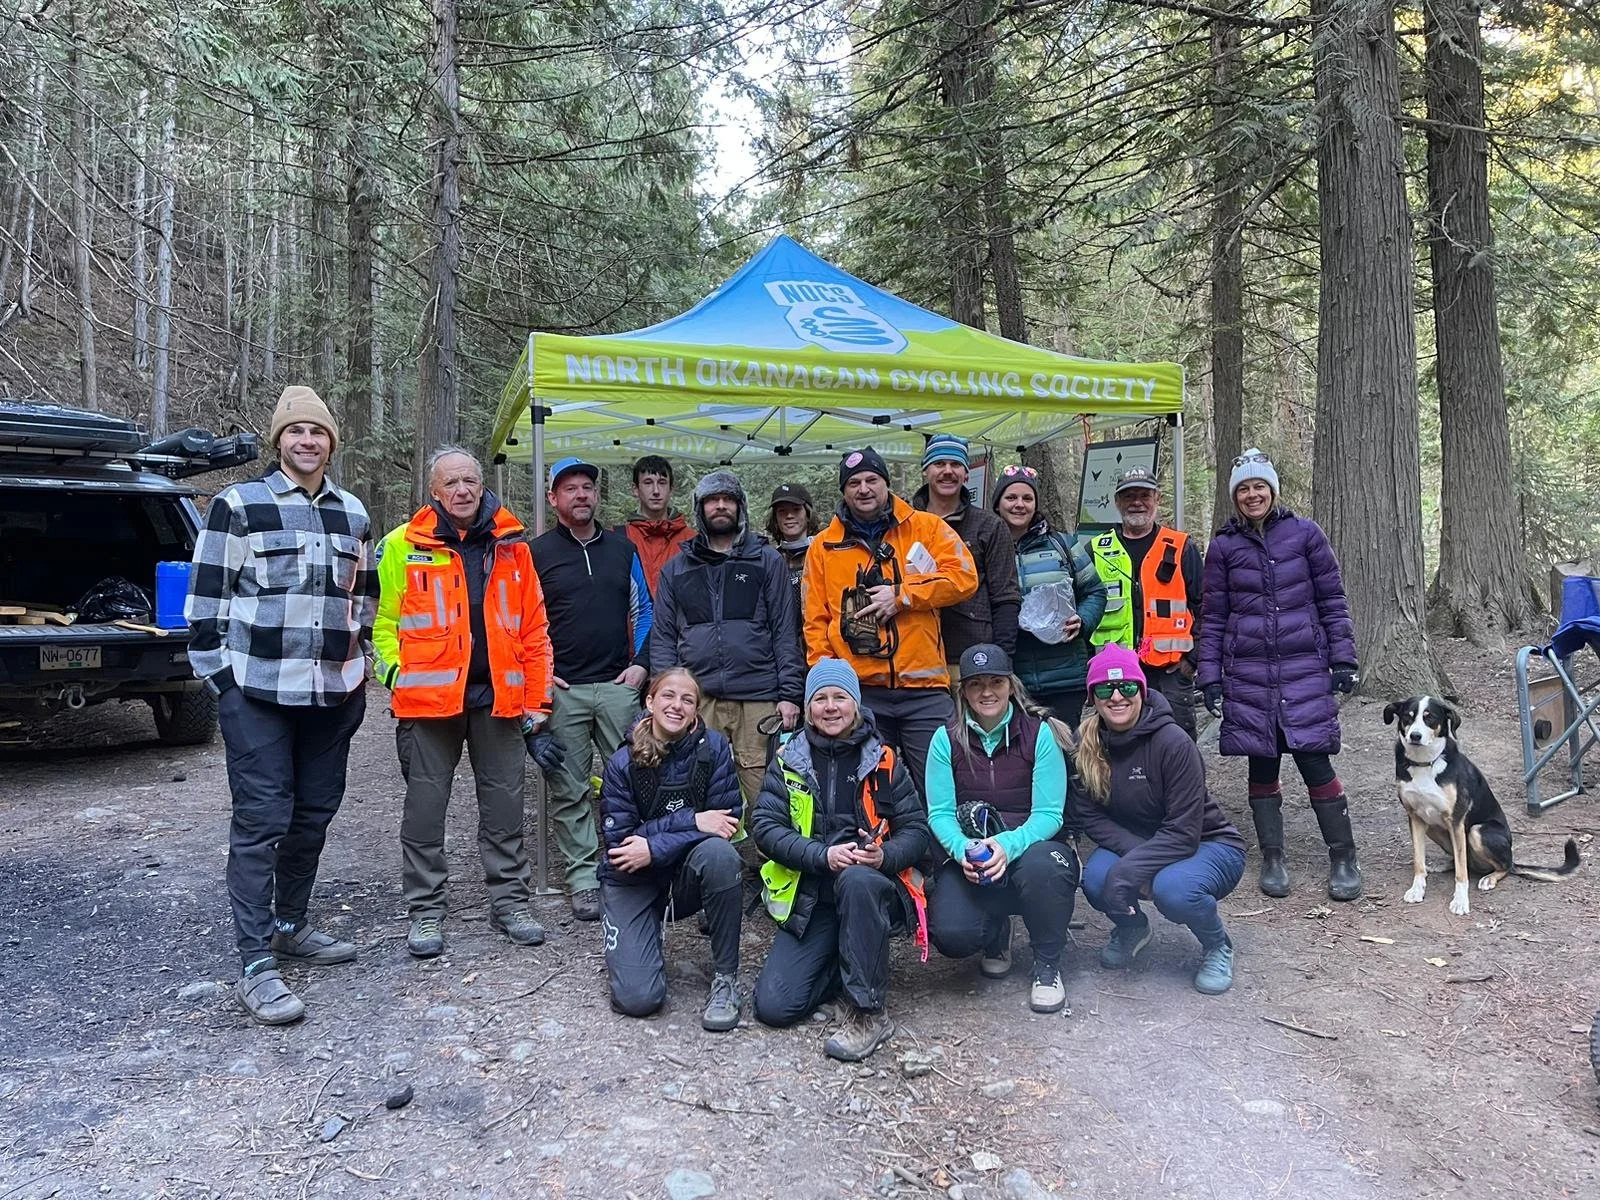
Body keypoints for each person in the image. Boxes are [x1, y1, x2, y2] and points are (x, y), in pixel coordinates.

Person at [185, 385, 377, 1025]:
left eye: (318, 432)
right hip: (258, 694)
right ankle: (255, 964)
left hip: (332, 694)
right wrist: (224, 685)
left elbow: (365, 599)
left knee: (313, 815)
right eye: (296, 431)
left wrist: (361, 666)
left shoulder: (353, 512)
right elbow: (205, 603)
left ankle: (290, 925)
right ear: (279, 440)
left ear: (331, 443)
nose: (307, 441)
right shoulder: (239, 505)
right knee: (262, 821)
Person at [373, 446, 558, 959]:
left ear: (482, 485)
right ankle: (426, 910)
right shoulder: (403, 545)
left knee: (504, 807)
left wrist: (538, 701)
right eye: (451, 483)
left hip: (499, 700)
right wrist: (397, 676)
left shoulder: (513, 546)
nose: (461, 491)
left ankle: (510, 903)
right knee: (425, 811)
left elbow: (535, 630)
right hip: (428, 704)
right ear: (434, 491)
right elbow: (382, 625)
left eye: (469, 481)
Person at [1197, 448, 1361, 901]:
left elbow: (1332, 600)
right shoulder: (1224, 547)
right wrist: (1210, 677)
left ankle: (1344, 856)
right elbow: (1213, 617)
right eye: (1243, 489)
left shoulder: (1306, 535)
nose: (1252, 495)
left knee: (1314, 760)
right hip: (1248, 673)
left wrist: (1343, 660)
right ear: (1235, 496)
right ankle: (1273, 856)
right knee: (1262, 760)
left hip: (1304, 667)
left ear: (1272, 490)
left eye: (1259, 486)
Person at [752, 659, 930, 1062]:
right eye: (820, 699)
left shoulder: (884, 759)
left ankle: (869, 1012)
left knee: (857, 880)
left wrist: (883, 856)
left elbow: (917, 831)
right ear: (808, 708)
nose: (830, 707)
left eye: (840, 697)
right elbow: (765, 826)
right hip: (814, 896)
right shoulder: (788, 759)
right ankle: (845, 959)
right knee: (774, 1007)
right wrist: (822, 855)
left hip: (872, 889)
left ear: (856, 704)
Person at [1071, 644, 1247, 995]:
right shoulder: (1086, 744)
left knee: (1173, 889)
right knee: (1096, 879)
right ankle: (1132, 928)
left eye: (1127, 687)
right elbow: (1089, 816)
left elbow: (1183, 832)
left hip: (1208, 843)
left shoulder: (1173, 742)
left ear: (1141, 689)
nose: (1117, 697)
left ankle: (1217, 945)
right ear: (1093, 698)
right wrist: (1138, 862)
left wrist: (1130, 870)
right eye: (1105, 689)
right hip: (1141, 840)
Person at [802, 446, 978, 792]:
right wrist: (829, 684)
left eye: (872, 480)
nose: (864, 489)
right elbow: (815, 621)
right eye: (854, 483)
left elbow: (964, 577)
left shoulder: (927, 528)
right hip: (860, 691)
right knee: (866, 789)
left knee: (940, 787)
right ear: (844, 491)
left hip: (924, 689)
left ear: (886, 483)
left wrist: (903, 596)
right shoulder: (823, 546)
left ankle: (942, 832)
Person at [923, 643, 1079, 1014]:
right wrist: (962, 850)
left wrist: (1007, 846)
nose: (987, 692)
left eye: (996, 682)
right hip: (973, 851)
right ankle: (995, 932)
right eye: (976, 684)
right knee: (952, 934)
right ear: (964, 691)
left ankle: (1047, 963)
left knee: (1045, 868)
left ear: (1011, 685)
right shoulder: (945, 738)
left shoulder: (1039, 733)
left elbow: (1049, 813)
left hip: (1031, 845)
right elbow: (939, 812)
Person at [529, 456, 653, 920]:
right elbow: (521, 621)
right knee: (569, 787)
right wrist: (541, 678)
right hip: (564, 691)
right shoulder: (536, 553)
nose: (580, 495)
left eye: (587, 487)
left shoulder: (622, 549)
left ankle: (635, 865)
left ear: (596, 495)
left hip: (619, 685)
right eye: (570, 488)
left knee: (638, 777)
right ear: (553, 498)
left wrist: (640, 666)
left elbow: (645, 610)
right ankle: (582, 878)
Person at [598, 668, 745, 1030]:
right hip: (632, 879)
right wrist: (693, 821)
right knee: (638, 999)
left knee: (721, 856)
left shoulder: (714, 750)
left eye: (687, 699)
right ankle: (640, 940)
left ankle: (726, 978)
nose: (677, 705)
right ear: (650, 702)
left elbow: (726, 823)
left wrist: (653, 844)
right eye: (668, 696)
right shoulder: (623, 762)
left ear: (696, 710)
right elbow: (621, 845)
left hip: (685, 876)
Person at [650, 470, 803, 810]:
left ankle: (769, 845)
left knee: (765, 791)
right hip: (698, 696)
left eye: (728, 499)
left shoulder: (766, 560)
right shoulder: (677, 568)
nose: (720, 506)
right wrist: (665, 694)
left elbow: (785, 631)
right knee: (697, 785)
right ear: (700, 508)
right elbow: (663, 636)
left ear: (740, 506)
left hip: (759, 695)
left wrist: (790, 694)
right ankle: (708, 845)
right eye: (712, 500)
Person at [1086, 466, 1204, 740]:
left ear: (1157, 499)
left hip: (1170, 673)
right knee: (1121, 747)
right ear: (1117, 502)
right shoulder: (1097, 550)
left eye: (1144, 495)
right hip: (1115, 674)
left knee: (1177, 745)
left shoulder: (1180, 547)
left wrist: (1192, 660)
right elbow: (1085, 611)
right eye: (1129, 496)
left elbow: (1205, 607)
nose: (1137, 502)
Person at [992, 463, 1107, 727]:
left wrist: (1083, 620)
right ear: (998, 504)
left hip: (1065, 675)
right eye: (1011, 497)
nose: (1019, 505)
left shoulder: (1063, 545)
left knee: (1065, 745)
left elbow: (1095, 591)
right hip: (1012, 676)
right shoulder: (987, 548)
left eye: (1027, 498)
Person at [912, 434, 1021, 671]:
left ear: (966, 474)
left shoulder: (989, 526)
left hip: (972, 657)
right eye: (939, 464)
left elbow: (1006, 598)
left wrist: (1001, 659)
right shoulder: (905, 524)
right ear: (925, 471)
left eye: (956, 464)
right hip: (914, 655)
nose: (947, 471)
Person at [615, 454, 689, 594]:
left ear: (671, 489)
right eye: (648, 483)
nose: (656, 491)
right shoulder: (617, 538)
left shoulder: (692, 540)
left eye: (662, 483)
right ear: (635, 489)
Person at [765, 481, 820, 659]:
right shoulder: (769, 559)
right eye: (782, 511)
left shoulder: (822, 553)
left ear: (808, 514)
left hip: (820, 647)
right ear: (775, 518)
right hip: (782, 651)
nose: (789, 516)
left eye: (796, 510)